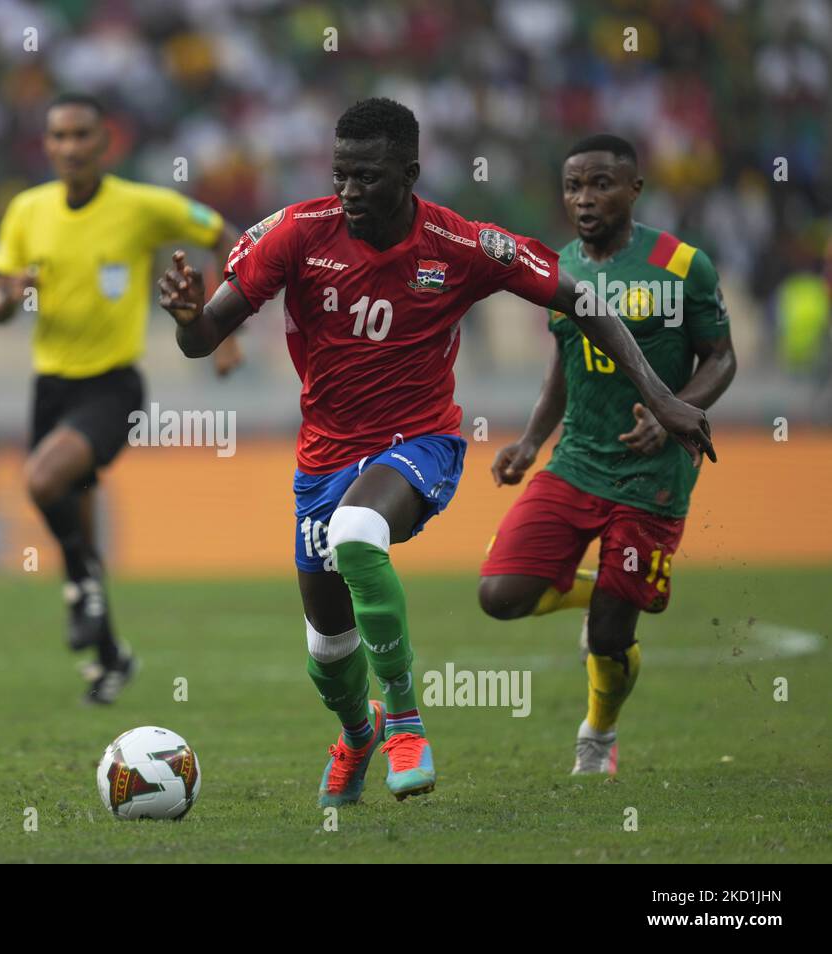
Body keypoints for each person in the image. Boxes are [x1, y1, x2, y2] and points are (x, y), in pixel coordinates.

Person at [158, 99, 714, 806]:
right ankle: (360, 733)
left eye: (368, 176)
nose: (351, 192)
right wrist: (184, 321)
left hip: (421, 442)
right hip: (325, 457)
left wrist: (663, 396)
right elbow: (204, 339)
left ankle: (407, 722)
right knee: (327, 652)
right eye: (341, 176)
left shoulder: (463, 246)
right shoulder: (297, 233)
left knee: (359, 533)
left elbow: (583, 302)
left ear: (411, 174)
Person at [479, 134, 736, 775]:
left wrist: (675, 410)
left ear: (635, 189)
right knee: (499, 593)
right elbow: (562, 365)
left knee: (611, 636)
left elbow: (722, 357)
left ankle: (598, 735)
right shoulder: (561, 265)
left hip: (654, 473)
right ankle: (602, 590)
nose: (584, 199)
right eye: (573, 187)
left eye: (601, 184)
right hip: (577, 461)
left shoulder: (681, 266)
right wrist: (533, 441)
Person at [0, 92, 243, 704]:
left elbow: (228, 234)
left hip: (112, 385)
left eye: (82, 136)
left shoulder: (141, 206)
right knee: (74, 522)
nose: (70, 147)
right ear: (46, 145)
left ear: (105, 143)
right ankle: (111, 659)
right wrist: (10, 293)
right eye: (58, 137)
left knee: (45, 482)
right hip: (50, 385)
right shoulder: (26, 211)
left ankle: (82, 589)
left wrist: (225, 323)